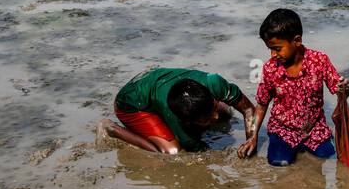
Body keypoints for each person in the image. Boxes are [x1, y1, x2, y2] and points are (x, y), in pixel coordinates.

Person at [255, 8, 349, 167]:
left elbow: (339, 91)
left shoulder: (319, 61)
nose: (273, 55)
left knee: (329, 156)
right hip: (283, 130)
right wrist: (253, 137)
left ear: (297, 40)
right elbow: (261, 104)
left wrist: (344, 89)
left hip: (315, 129)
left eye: (277, 48)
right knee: (280, 162)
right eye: (270, 49)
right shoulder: (271, 68)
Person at [103, 67, 258, 156]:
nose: (215, 116)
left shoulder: (214, 82)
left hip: (156, 84)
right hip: (131, 103)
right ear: (186, 121)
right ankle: (112, 129)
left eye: (213, 107)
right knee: (172, 151)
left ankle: (207, 113)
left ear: (210, 95)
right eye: (206, 118)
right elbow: (198, 149)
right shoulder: (178, 122)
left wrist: (251, 140)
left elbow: (249, 110)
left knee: (225, 114)